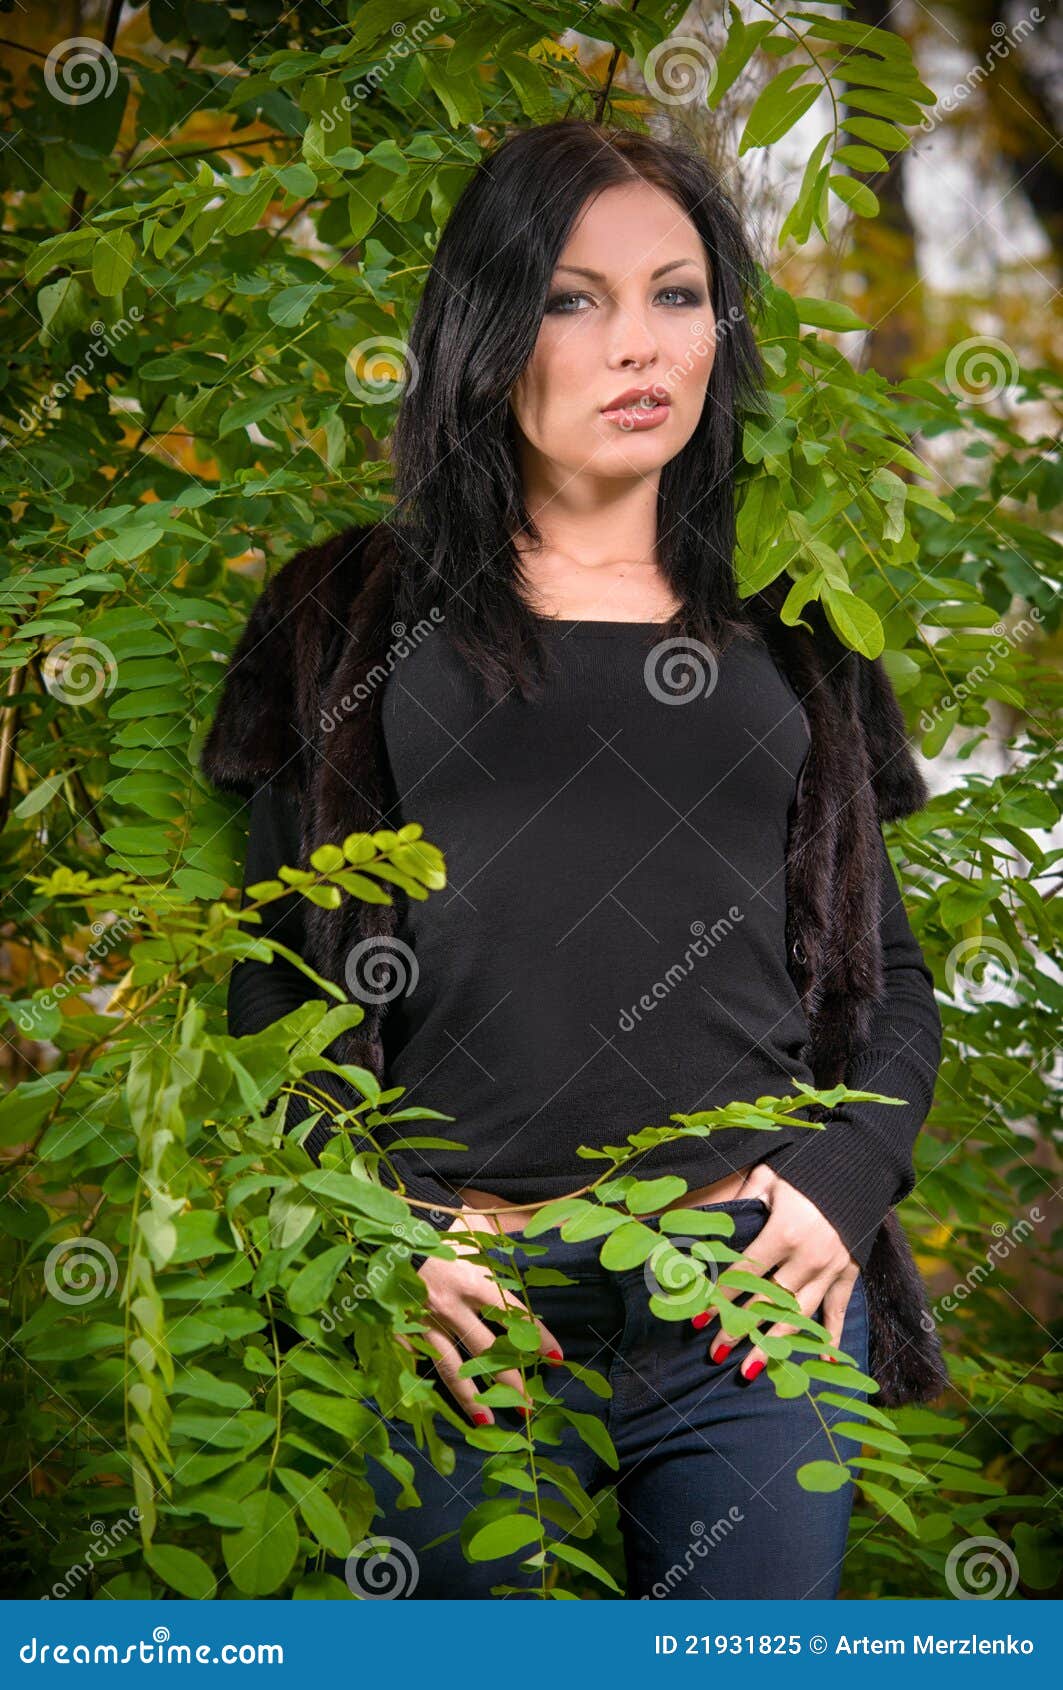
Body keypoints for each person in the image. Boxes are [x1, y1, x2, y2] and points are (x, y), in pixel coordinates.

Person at [202, 120, 944, 1599]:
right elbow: (265, 993)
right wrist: (385, 1238)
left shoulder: (796, 629)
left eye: (677, 294)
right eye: (572, 296)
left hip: (750, 1302)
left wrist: (841, 1182)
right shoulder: (346, 611)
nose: (638, 343)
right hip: (465, 1306)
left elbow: (895, 979)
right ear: (485, 326)